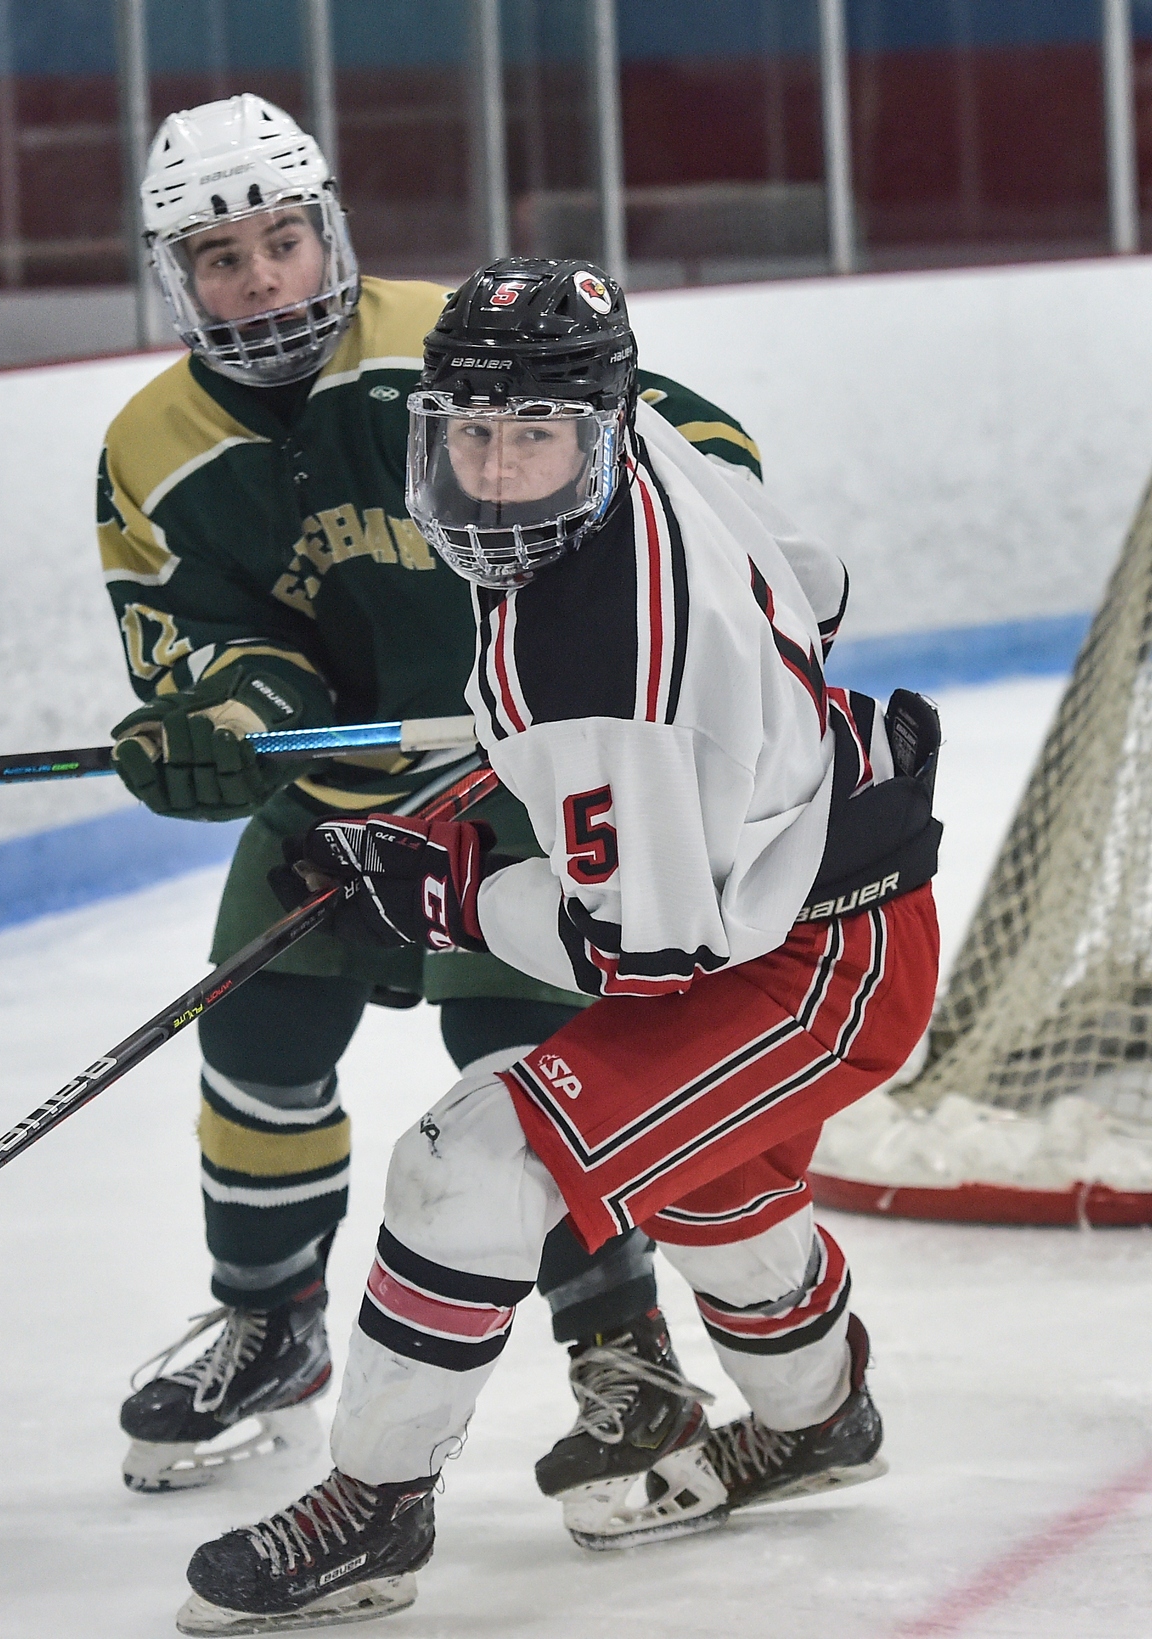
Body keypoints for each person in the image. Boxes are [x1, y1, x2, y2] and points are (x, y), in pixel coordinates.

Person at [175, 259, 943, 1634]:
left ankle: (375, 1509)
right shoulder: (648, 446)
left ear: (591, 423)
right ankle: (820, 1422)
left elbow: (634, 962)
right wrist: (654, 774)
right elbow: (818, 588)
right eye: (468, 432)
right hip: (822, 896)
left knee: (467, 1167)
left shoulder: (604, 674)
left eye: (531, 437)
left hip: (812, 968)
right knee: (704, 1182)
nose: (493, 471)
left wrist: (445, 896)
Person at [97, 95, 770, 1497]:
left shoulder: (448, 342)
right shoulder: (149, 447)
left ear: (330, 230)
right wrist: (229, 717)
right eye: (222, 258)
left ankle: (619, 1341)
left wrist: (659, 618)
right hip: (334, 804)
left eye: (284, 238)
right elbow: (195, 637)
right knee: (258, 1042)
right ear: (179, 279)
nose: (263, 277)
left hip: (513, 784)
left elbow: (698, 455)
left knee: (531, 1056)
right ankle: (272, 1320)